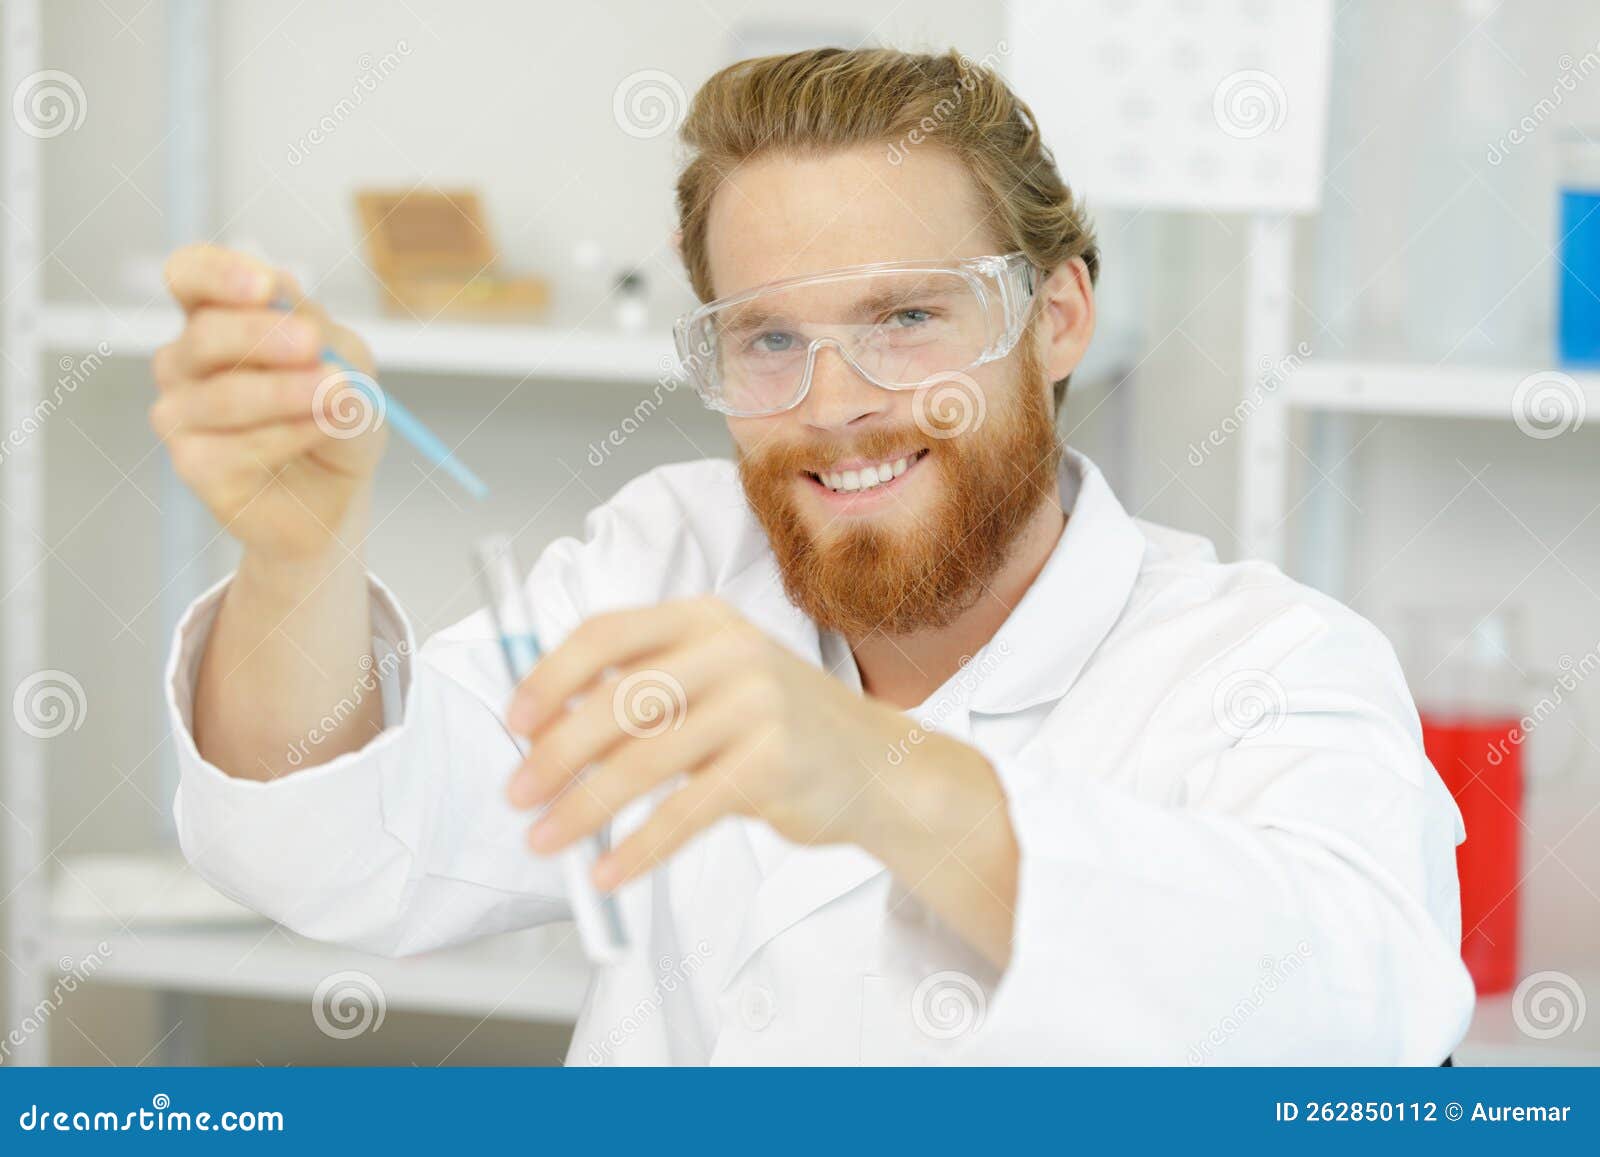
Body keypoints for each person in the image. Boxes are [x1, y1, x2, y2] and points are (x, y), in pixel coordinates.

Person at [150, 47, 1473, 1064]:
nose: (834, 403)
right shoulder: (670, 561)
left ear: (1059, 316)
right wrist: (298, 561)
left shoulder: (1262, 664)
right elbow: (342, 847)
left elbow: (1365, 1022)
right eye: (770, 339)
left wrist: (881, 776)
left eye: (906, 318)